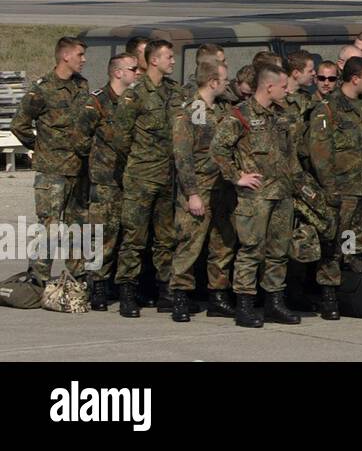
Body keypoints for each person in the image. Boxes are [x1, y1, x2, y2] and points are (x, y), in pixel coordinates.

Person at [211, 64, 302, 327]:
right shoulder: (240, 115)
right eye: (283, 86)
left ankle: (274, 303)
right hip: (256, 197)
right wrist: (236, 176)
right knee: (251, 250)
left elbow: (290, 155)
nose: (287, 91)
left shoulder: (282, 115)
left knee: (278, 251)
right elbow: (218, 149)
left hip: (281, 194)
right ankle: (245, 305)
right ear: (269, 86)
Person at [12, 36, 93, 286]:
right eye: (80, 55)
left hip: (78, 169)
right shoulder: (42, 90)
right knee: (49, 226)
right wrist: (39, 147)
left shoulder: (82, 86)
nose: (84, 59)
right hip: (52, 171)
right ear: (65, 56)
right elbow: (19, 124)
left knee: (77, 225)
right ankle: (38, 278)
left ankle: (78, 276)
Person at [309, 56, 362, 319]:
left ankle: (354, 290)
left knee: (360, 244)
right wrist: (330, 190)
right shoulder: (328, 109)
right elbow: (319, 154)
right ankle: (329, 294)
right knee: (335, 243)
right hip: (340, 191)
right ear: (355, 79)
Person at [168, 59, 239, 321]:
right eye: (224, 78)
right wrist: (192, 194)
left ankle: (218, 296)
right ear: (213, 81)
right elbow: (182, 156)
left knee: (223, 243)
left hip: (223, 188)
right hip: (199, 187)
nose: (228, 83)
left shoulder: (223, 109)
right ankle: (180, 296)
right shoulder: (188, 112)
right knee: (189, 244)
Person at [113, 39, 179, 316]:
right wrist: (141, 161)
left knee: (165, 238)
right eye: (168, 57)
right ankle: (128, 291)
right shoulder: (135, 95)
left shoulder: (174, 92)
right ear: (154, 60)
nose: (173, 61)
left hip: (167, 177)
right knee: (134, 238)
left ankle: (165, 290)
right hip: (141, 177)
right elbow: (121, 138)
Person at [83, 53, 138, 309]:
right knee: (101, 235)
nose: (138, 72)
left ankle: (124, 286)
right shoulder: (98, 102)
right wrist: (97, 163)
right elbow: (80, 138)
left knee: (128, 236)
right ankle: (97, 285)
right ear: (118, 72)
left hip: (130, 179)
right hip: (105, 180)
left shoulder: (134, 101)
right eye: (132, 68)